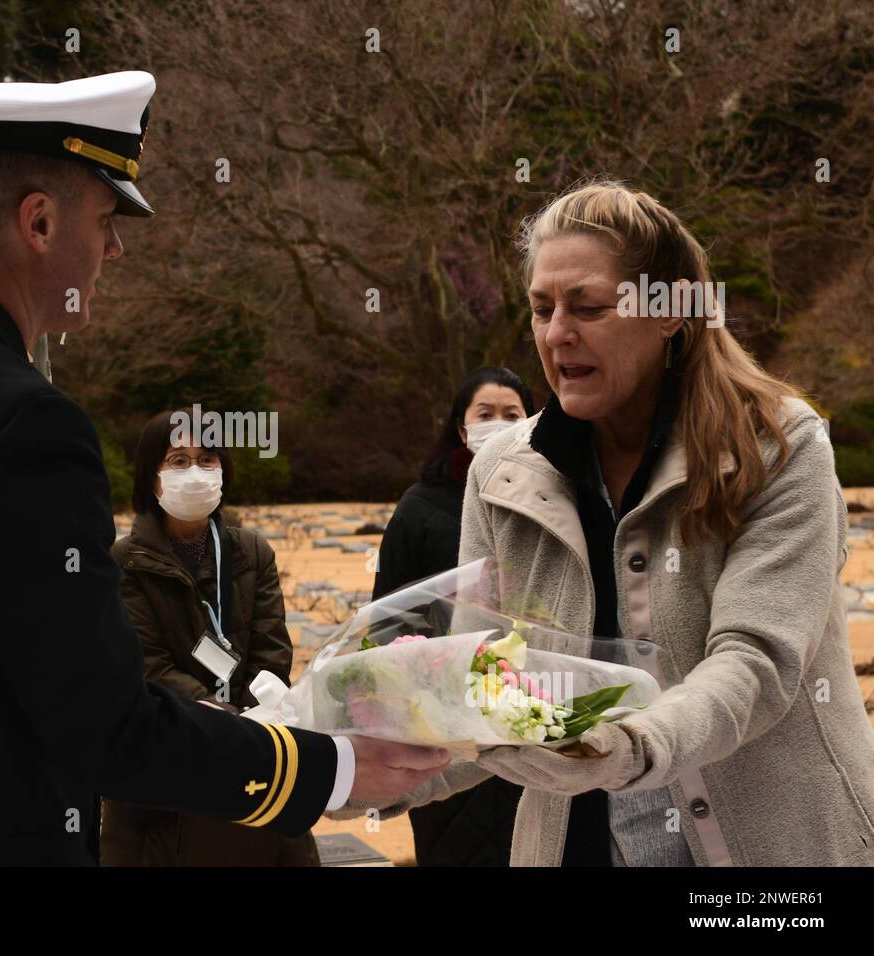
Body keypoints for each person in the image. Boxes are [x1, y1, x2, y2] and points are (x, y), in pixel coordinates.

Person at [0, 72, 448, 865]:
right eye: (108, 218)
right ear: (39, 221)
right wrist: (335, 767)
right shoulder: (25, 424)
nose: (114, 247)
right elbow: (105, 727)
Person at [352, 180, 874, 866]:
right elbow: (484, 692)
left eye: (588, 306)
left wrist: (626, 748)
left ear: (669, 313)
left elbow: (757, 663)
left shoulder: (779, 446)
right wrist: (349, 766)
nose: (556, 332)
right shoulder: (501, 472)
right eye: (541, 309)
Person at [101, 412, 319, 865]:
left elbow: (272, 649)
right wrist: (221, 722)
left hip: (256, 737)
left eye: (206, 459)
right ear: (151, 475)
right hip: (172, 744)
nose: (195, 473)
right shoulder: (128, 560)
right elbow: (150, 665)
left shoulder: (251, 550)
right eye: (178, 460)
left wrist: (254, 716)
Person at [373, 367, 533, 866]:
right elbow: (387, 620)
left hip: (532, 711)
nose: (499, 424)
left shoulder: (551, 501)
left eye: (513, 414)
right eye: (485, 415)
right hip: (445, 717)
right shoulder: (418, 509)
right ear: (461, 429)